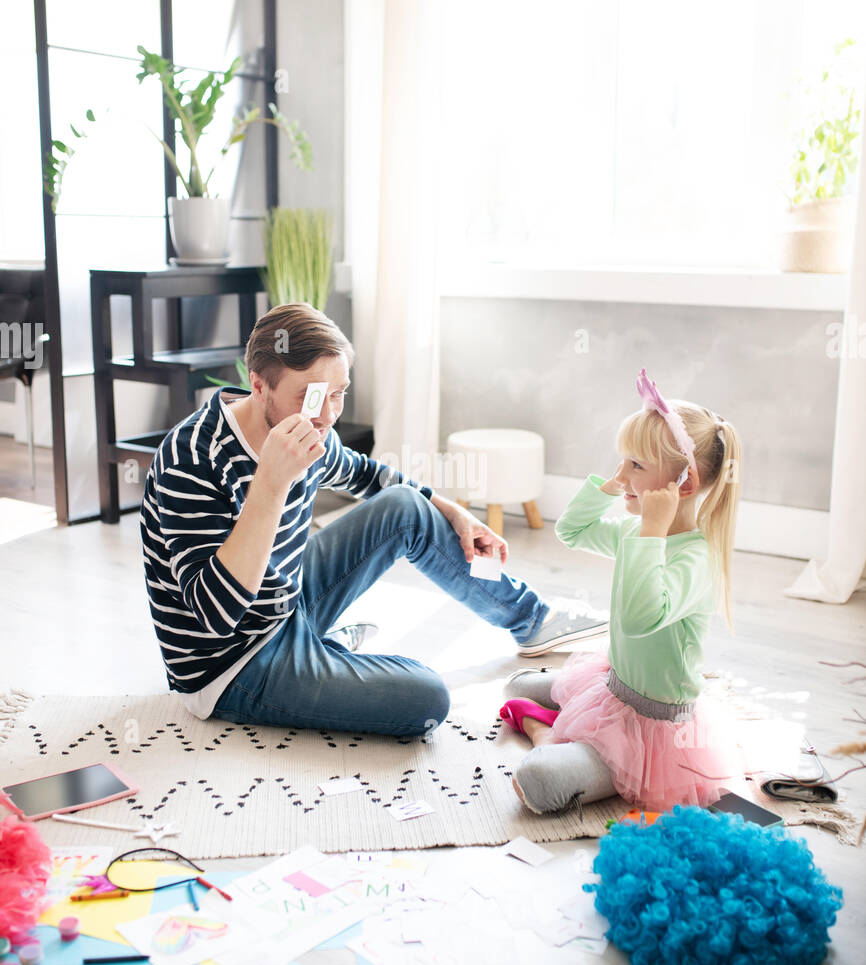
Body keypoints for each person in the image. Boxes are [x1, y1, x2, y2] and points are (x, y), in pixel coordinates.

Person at [140, 303, 605, 738]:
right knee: (427, 698)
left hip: (286, 604)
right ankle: (326, 653)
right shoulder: (193, 457)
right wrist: (271, 484)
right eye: (311, 396)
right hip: (232, 664)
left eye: (338, 395)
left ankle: (533, 620)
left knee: (405, 503)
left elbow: (370, 476)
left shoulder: (311, 426)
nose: (326, 416)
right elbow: (216, 617)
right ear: (258, 385)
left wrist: (452, 510)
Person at [500, 368, 748, 814]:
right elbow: (574, 530)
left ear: (682, 485)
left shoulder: (695, 562)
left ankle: (547, 734)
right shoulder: (636, 531)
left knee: (536, 783)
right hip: (613, 689)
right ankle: (563, 729)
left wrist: (651, 531)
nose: (622, 472)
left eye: (635, 465)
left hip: (655, 729)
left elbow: (639, 617)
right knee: (517, 682)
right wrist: (611, 488)